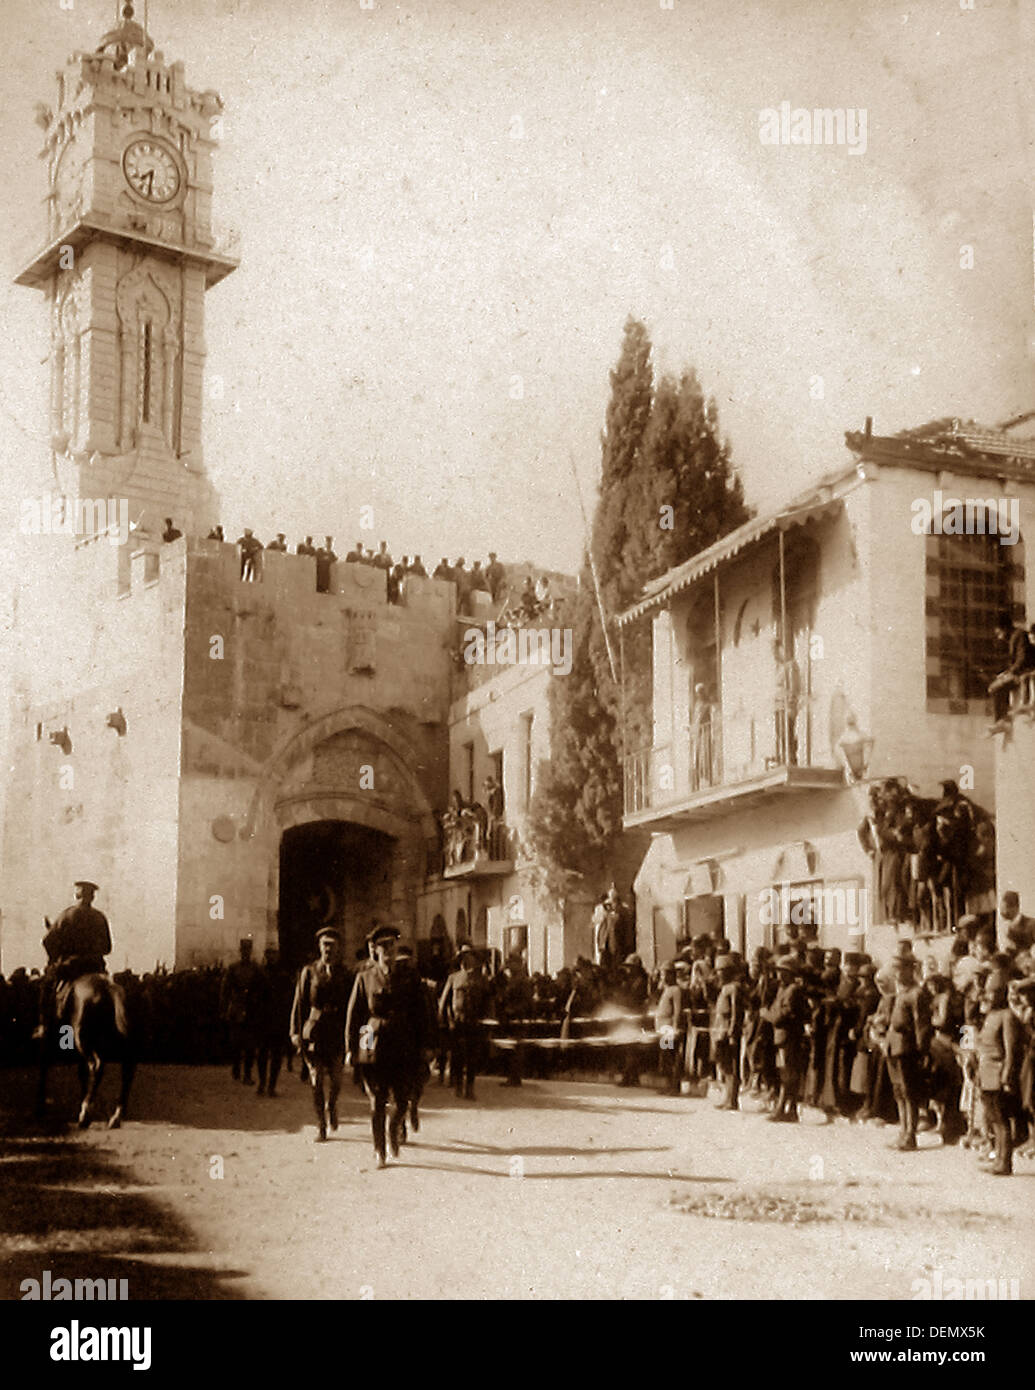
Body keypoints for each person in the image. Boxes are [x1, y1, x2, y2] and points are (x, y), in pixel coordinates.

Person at [347, 924, 431, 1168]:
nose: (389, 951)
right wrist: (355, 1050)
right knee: (377, 1101)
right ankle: (379, 1149)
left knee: (403, 1100)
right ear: (375, 949)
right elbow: (358, 1017)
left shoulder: (410, 977)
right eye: (383, 946)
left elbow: (421, 1013)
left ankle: (394, 1130)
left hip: (404, 1045)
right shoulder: (364, 978)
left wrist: (425, 1044)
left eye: (392, 945)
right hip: (375, 1045)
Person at [290, 927, 351, 1141]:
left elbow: (353, 1007)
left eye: (332, 946)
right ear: (319, 947)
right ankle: (321, 1125)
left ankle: (331, 1105)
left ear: (338, 949)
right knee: (316, 1081)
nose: (328, 950)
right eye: (325, 945)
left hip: (336, 1032)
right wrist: (295, 1032)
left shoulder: (345, 974)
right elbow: (299, 1003)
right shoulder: (310, 972)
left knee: (336, 1080)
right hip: (314, 1031)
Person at [34, 880, 113, 1040]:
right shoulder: (100, 917)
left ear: (77, 894)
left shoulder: (67, 915)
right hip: (95, 967)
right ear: (92, 897)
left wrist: (56, 959)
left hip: (72, 967)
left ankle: (47, 1029)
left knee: (47, 988)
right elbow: (107, 948)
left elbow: (47, 941)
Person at [883, 942, 931, 1151]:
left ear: (910, 969)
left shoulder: (916, 994)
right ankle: (903, 1131)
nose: (896, 973)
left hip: (907, 1048)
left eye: (899, 968)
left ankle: (910, 1135)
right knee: (899, 1092)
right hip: (893, 1045)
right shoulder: (901, 992)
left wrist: (922, 1050)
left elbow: (921, 1025)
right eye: (894, 968)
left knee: (909, 1092)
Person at [977, 969, 1023, 1174]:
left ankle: (1005, 1162)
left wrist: (1006, 1076)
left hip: (997, 1073)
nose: (988, 995)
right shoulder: (990, 1015)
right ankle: (998, 1158)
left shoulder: (1007, 1017)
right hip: (985, 1073)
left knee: (1002, 1119)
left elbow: (1011, 1049)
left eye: (993, 992)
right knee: (993, 1118)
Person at [439, 946, 490, 1100]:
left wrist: (485, 1019)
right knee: (457, 1056)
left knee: (472, 1057)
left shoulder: (482, 979)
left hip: (474, 1023)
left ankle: (470, 1088)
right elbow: (444, 1001)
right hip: (457, 1023)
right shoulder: (453, 978)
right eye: (464, 958)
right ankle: (458, 1087)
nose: (467, 960)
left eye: (470, 957)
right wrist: (446, 1020)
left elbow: (487, 1001)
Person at [763, 955, 807, 1121]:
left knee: (787, 1074)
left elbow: (781, 1015)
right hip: (781, 1036)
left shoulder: (792, 990)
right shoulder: (782, 989)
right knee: (788, 1073)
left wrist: (766, 1014)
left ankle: (782, 1108)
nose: (780, 975)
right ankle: (791, 1110)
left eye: (784, 972)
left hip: (788, 1037)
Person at [220, 938, 262, 1085]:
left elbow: (262, 989)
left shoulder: (256, 969)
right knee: (236, 1042)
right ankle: (236, 1067)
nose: (246, 953)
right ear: (240, 951)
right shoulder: (233, 968)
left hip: (251, 1008)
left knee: (250, 1044)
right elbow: (225, 990)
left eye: (248, 950)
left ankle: (248, 1074)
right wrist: (224, 1008)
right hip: (236, 1008)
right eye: (243, 950)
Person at [255, 946, 294, 1098]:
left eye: (273, 954)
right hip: (263, 1019)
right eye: (268, 954)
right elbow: (253, 995)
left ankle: (272, 1085)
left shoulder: (283, 975)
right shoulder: (260, 973)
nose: (271, 957)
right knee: (262, 1054)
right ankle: (262, 1082)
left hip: (278, 1020)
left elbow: (290, 997)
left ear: (277, 956)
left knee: (277, 1054)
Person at [711, 953, 746, 1110]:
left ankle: (733, 1100)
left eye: (721, 970)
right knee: (724, 1065)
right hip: (720, 1029)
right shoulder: (724, 988)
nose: (718, 973)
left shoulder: (734, 988)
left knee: (731, 1065)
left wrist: (732, 1031)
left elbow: (736, 1012)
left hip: (728, 1030)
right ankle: (727, 1097)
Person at [773, 639, 801, 764]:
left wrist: (791, 703)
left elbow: (794, 686)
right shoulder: (778, 668)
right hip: (778, 705)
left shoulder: (791, 665)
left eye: (776, 650)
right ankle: (784, 757)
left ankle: (791, 758)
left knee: (787, 732)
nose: (775, 655)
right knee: (780, 734)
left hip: (786, 704)